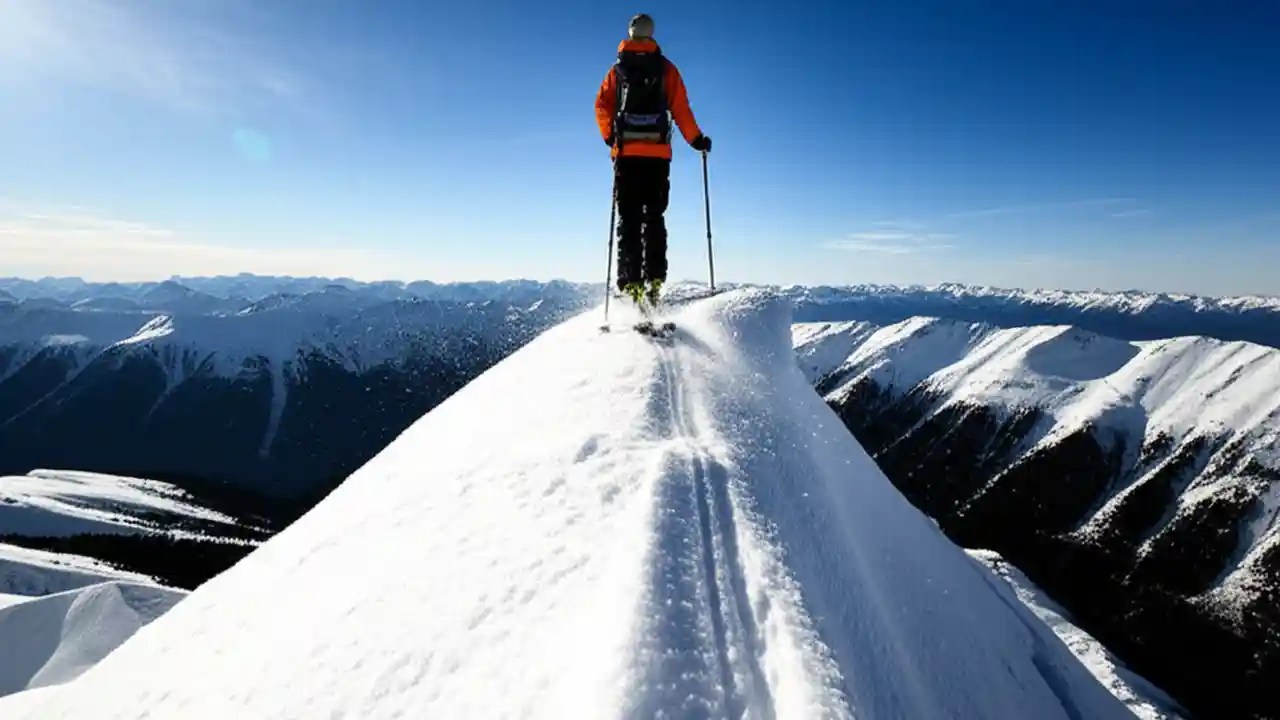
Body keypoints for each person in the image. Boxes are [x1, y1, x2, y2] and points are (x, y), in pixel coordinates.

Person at [595, 13, 711, 306]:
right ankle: (655, 280)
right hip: (658, 156)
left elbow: (602, 105)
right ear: (652, 34)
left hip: (626, 156)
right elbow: (681, 109)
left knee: (629, 219)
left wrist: (611, 136)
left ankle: (630, 283)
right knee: (654, 218)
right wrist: (697, 140)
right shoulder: (666, 69)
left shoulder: (617, 71)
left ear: (630, 34)